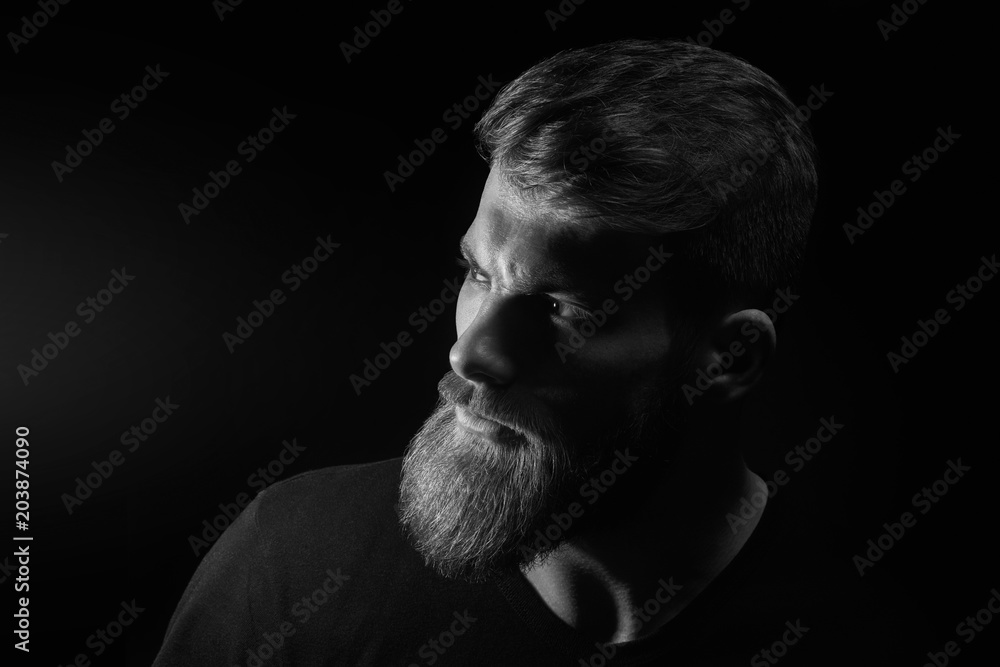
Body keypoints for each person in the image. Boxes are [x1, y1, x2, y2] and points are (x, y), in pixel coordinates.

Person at [153, 39, 923, 666]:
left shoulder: (874, 637)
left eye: (563, 310)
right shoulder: (290, 566)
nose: (471, 352)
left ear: (729, 358)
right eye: (478, 272)